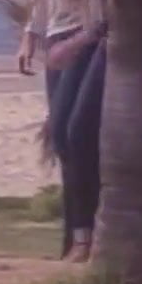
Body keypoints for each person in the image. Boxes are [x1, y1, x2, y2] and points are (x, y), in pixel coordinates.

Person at [46, 20, 107, 262]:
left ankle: (85, 238)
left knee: (78, 135)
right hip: (59, 36)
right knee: (62, 139)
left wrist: (79, 40)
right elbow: (44, 0)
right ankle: (76, 240)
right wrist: (31, 34)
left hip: (87, 38)